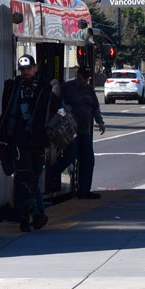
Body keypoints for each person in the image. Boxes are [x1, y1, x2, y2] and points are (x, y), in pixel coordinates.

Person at [0, 53, 58, 232]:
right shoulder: (13, 86)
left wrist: (56, 121)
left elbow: (57, 109)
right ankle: (30, 216)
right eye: (22, 69)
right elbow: (6, 111)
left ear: (35, 67)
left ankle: (34, 214)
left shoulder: (46, 89)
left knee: (29, 181)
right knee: (25, 180)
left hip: (38, 142)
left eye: (29, 68)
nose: (26, 72)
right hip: (19, 142)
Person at [59, 66, 106, 199]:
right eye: (82, 78)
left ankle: (84, 190)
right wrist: (63, 116)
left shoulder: (89, 89)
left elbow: (95, 107)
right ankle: (53, 177)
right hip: (70, 132)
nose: (84, 81)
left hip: (84, 130)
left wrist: (100, 121)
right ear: (77, 75)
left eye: (86, 78)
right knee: (70, 156)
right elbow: (56, 105)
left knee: (88, 160)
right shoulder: (67, 87)